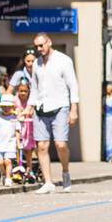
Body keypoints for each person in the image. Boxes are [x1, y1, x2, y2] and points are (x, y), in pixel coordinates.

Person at [24, 33, 80, 195]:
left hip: (60, 106)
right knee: (41, 146)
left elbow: (73, 85)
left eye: (41, 45)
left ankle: (65, 172)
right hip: (41, 107)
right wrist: (30, 106)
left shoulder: (64, 60)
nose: (39, 49)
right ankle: (48, 182)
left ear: (49, 42)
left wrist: (74, 108)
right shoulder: (36, 64)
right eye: (36, 46)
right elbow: (34, 87)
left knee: (60, 144)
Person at [0, 97, 20, 188]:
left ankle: (8, 178)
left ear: (11, 107)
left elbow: (17, 131)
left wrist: (18, 142)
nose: (6, 108)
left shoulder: (14, 118)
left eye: (8, 107)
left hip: (10, 143)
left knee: (8, 161)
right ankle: (3, 173)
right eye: (4, 107)